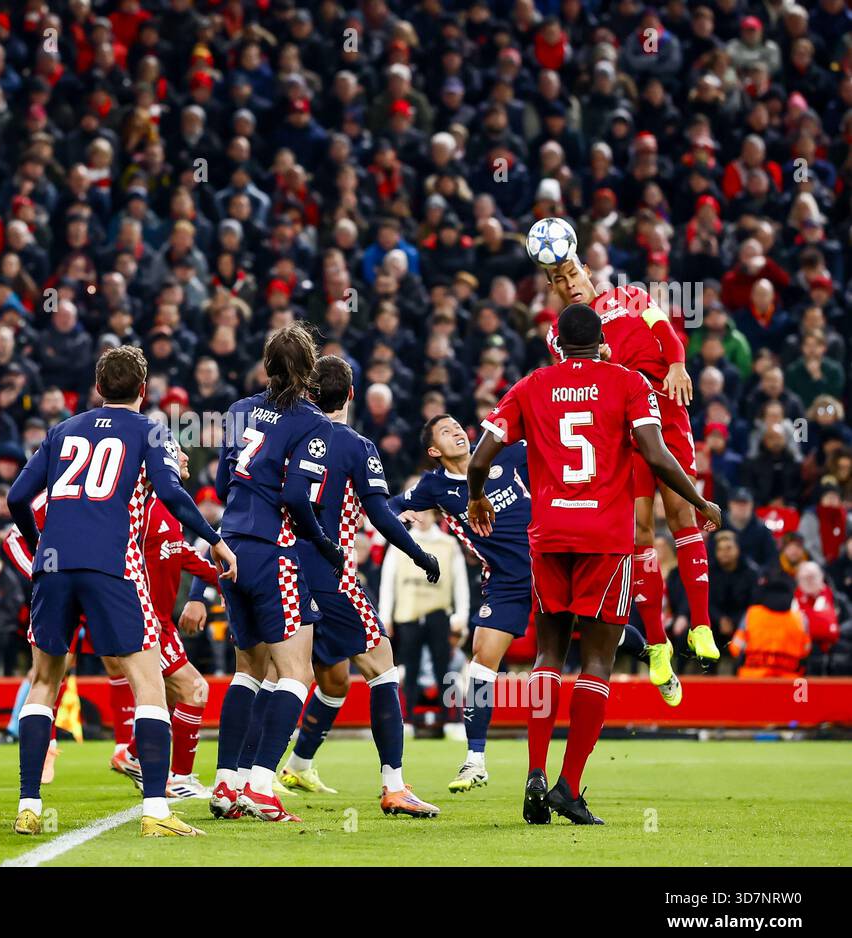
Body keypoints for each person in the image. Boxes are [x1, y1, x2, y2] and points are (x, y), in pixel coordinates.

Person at [468, 303, 720, 825]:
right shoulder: (628, 383)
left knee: (547, 657)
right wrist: (697, 501)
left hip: (550, 536)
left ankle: (535, 774)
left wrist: (476, 498)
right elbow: (654, 453)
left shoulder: (531, 384)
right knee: (597, 663)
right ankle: (569, 787)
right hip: (605, 539)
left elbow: (479, 457)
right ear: (601, 340)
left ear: (557, 340)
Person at [5, 345, 236, 838]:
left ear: (97, 388)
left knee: (44, 680)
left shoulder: (62, 430)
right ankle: (156, 810)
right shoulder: (150, 430)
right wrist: (214, 540)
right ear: (144, 390)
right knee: (147, 682)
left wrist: (38, 543)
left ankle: (28, 804)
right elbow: (172, 494)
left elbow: (16, 498)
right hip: (112, 564)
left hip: (55, 566)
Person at [543, 245, 719, 704]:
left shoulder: (632, 297)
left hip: (667, 409)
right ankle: (658, 645)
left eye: (571, 273)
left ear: (585, 268)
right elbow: (577, 383)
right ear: (552, 288)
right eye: (558, 280)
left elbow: (668, 336)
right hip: (623, 427)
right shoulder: (558, 333)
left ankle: (701, 625)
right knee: (639, 531)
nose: (569, 283)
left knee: (683, 512)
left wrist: (678, 365)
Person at [275, 355, 443, 817]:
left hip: (283, 567)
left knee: (314, 677)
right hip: (330, 573)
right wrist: (418, 552)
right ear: (351, 395)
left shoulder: (289, 436)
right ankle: (394, 785)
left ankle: (278, 770)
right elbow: (381, 514)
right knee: (382, 667)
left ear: (309, 395)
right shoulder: (356, 445)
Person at [207, 324, 345, 824]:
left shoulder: (240, 409)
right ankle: (262, 786)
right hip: (274, 550)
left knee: (248, 668)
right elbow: (295, 497)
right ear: (308, 371)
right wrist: (323, 543)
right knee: (295, 671)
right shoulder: (313, 422)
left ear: (266, 366)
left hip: (231, 545)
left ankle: (227, 783)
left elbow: (224, 479)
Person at [389, 413, 535, 791]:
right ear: (434, 450)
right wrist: (400, 518)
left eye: (457, 427)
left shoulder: (507, 455)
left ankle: (651, 648)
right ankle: (476, 759)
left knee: (605, 633)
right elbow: (387, 505)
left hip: (550, 563)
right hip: (506, 582)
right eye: (445, 431)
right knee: (481, 660)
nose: (456, 432)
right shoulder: (435, 487)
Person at [107, 452, 222, 800]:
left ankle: (133, 754)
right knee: (194, 690)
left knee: (172, 695)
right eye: (177, 452)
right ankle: (180, 777)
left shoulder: (164, 507)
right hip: (142, 619)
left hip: (159, 621)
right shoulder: (140, 510)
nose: (187, 458)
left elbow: (182, 554)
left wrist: (224, 577)